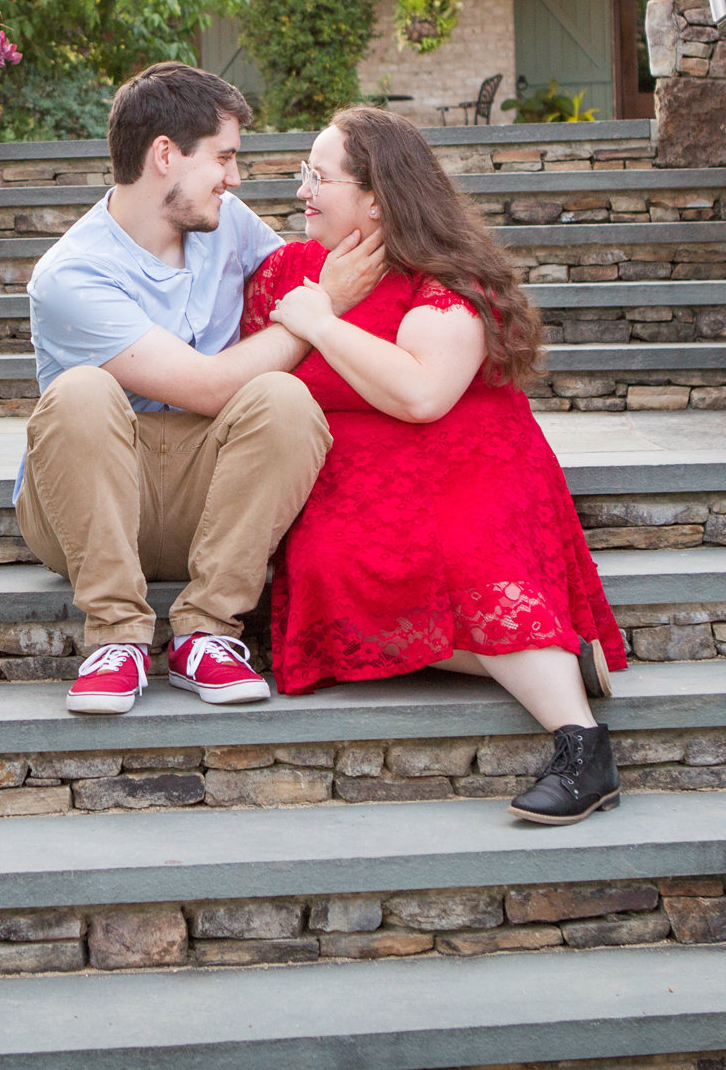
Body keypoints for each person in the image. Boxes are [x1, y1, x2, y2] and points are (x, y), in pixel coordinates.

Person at [248, 107, 629, 825]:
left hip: (467, 446)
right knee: (330, 570)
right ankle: (546, 656)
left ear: (375, 197)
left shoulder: (445, 280)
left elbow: (422, 395)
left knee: (467, 558)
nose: (301, 190)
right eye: (304, 174)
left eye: (317, 177)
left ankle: (582, 746)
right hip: (350, 464)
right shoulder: (286, 271)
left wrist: (320, 322)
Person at [20, 63, 383, 714]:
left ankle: (208, 632)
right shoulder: (69, 275)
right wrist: (319, 308)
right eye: (224, 157)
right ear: (165, 155)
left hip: (211, 500)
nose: (235, 178)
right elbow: (211, 386)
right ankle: (115, 638)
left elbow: (314, 270)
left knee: (284, 400)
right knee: (80, 392)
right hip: (89, 505)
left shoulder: (230, 225)